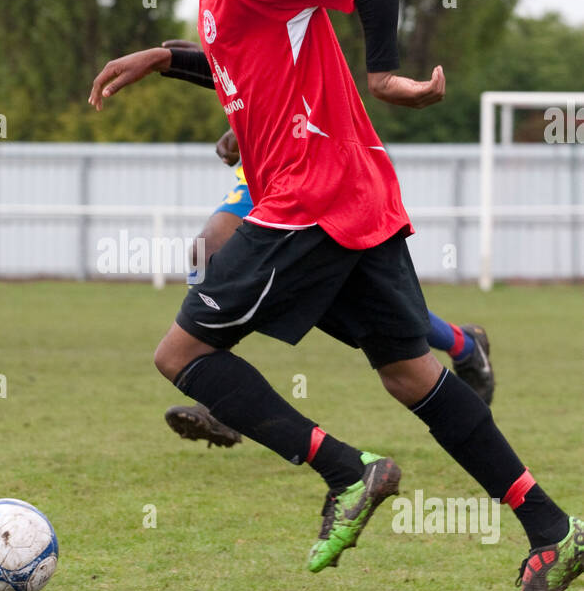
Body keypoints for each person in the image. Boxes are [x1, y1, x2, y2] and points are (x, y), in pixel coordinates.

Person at [88, 0, 582, 591]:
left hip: (307, 202)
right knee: (410, 371)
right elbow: (240, 65)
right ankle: (554, 531)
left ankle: (347, 471)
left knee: (182, 354)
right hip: (353, 196)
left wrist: (382, 70)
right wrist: (164, 58)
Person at [165, 121, 494, 449]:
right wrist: (243, 123)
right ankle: (216, 395)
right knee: (203, 252)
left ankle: (463, 343)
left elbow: (299, 75)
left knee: (356, 298)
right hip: (269, 161)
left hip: (322, 158)